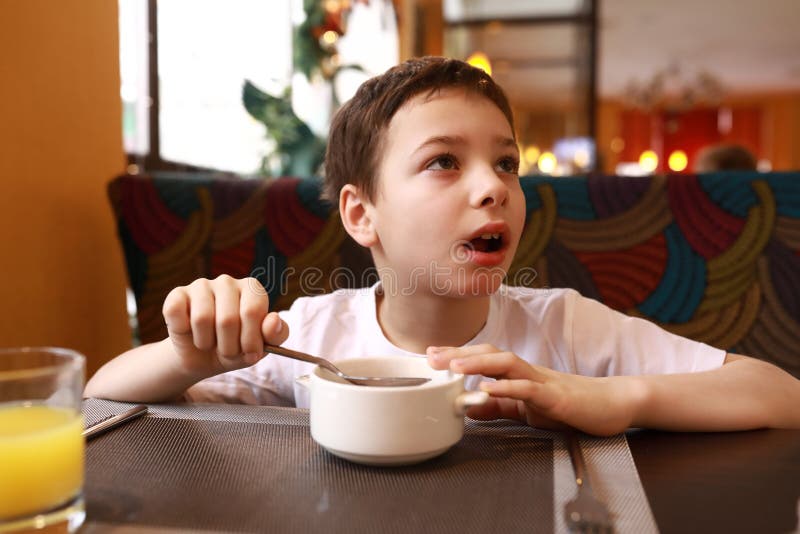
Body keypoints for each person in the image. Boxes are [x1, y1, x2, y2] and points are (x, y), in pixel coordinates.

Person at [85, 57, 800, 436]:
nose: (494, 187)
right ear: (362, 215)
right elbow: (100, 399)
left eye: (507, 163)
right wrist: (188, 356)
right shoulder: (310, 336)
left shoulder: (563, 327)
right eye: (444, 162)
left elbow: (780, 393)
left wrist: (616, 397)